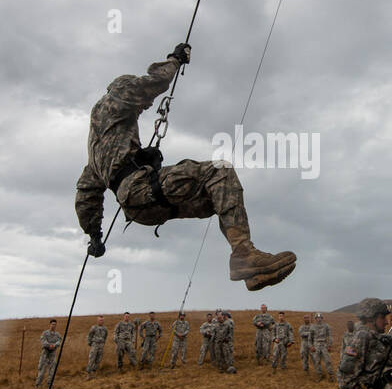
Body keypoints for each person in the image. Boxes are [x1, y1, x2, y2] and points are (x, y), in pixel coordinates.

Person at [73, 44, 295, 289]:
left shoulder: (96, 150)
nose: (144, 108)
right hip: (141, 190)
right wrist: (174, 60)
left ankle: (253, 274)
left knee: (217, 197)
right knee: (219, 171)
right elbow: (154, 83)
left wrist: (94, 236)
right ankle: (244, 254)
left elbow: (86, 196)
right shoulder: (113, 100)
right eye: (141, 105)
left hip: (142, 211)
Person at [35, 320, 63, 389]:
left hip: (53, 353)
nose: (53, 326)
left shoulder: (57, 334)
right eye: (52, 324)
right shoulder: (45, 333)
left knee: (52, 369)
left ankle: (50, 384)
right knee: (42, 369)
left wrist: (54, 345)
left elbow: (59, 341)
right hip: (45, 352)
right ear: (50, 325)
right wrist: (49, 345)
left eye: (55, 324)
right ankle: (38, 385)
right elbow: (43, 341)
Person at [311, 314, 334, 380]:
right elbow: (310, 338)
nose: (319, 319)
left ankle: (331, 375)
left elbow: (329, 336)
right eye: (317, 318)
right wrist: (311, 346)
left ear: (322, 318)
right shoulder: (312, 327)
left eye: (320, 318)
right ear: (315, 319)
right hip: (316, 346)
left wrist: (329, 345)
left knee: (327, 360)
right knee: (317, 361)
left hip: (324, 345)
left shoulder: (326, 326)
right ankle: (319, 375)